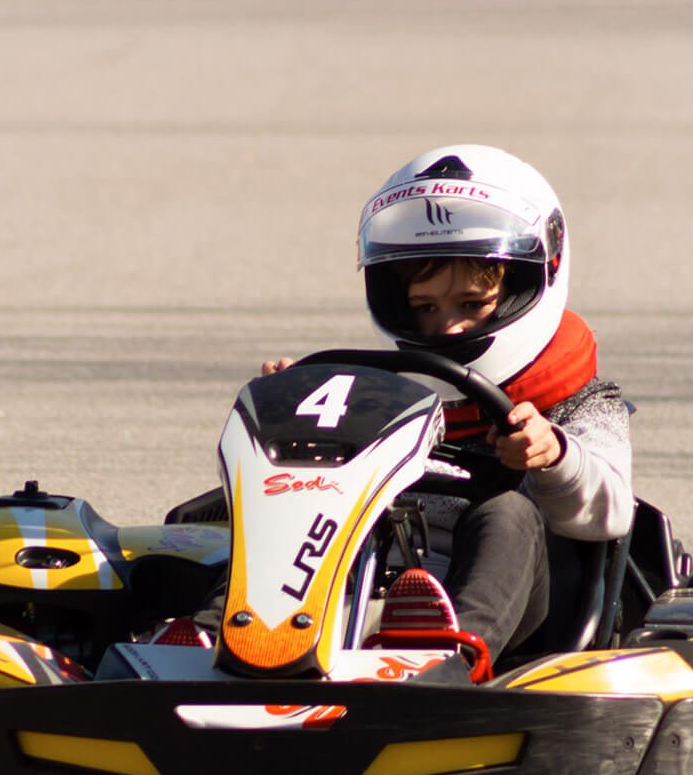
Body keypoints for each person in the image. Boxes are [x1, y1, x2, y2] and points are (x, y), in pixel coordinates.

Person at [263, 144, 634, 662]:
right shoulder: (389, 392)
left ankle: (448, 659)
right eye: (426, 307)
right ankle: (219, 631)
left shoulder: (580, 403)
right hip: (361, 584)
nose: (449, 326)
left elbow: (611, 513)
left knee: (508, 512)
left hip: (514, 619)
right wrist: (297, 414)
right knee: (283, 499)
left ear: (533, 281)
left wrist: (554, 457)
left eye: (471, 304)